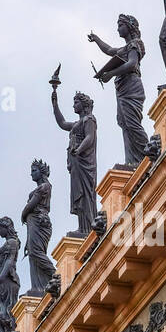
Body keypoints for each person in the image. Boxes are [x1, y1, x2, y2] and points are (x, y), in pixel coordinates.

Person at [89, 15, 148, 168]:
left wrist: (111, 73)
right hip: (122, 88)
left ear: (129, 27)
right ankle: (132, 160)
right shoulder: (123, 48)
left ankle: (149, 154)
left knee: (132, 122)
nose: (117, 29)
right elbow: (108, 50)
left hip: (131, 86)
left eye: (120, 25)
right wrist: (96, 39)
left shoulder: (135, 44)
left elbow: (132, 64)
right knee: (124, 122)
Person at [50, 88, 98, 234]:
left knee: (85, 193)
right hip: (76, 162)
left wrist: (79, 150)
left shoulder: (89, 119)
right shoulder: (77, 123)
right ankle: (83, 227)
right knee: (79, 192)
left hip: (84, 162)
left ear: (83, 105)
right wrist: (55, 105)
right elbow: (62, 123)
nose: (73, 106)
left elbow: (89, 138)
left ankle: (88, 227)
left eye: (75, 102)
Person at [21, 160, 57, 295]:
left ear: (41, 172)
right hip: (33, 223)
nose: (31, 174)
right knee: (32, 253)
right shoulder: (41, 187)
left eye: (34, 171)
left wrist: (23, 214)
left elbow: (31, 205)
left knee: (36, 252)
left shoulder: (44, 187)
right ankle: (38, 287)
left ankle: (56, 275)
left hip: (40, 221)